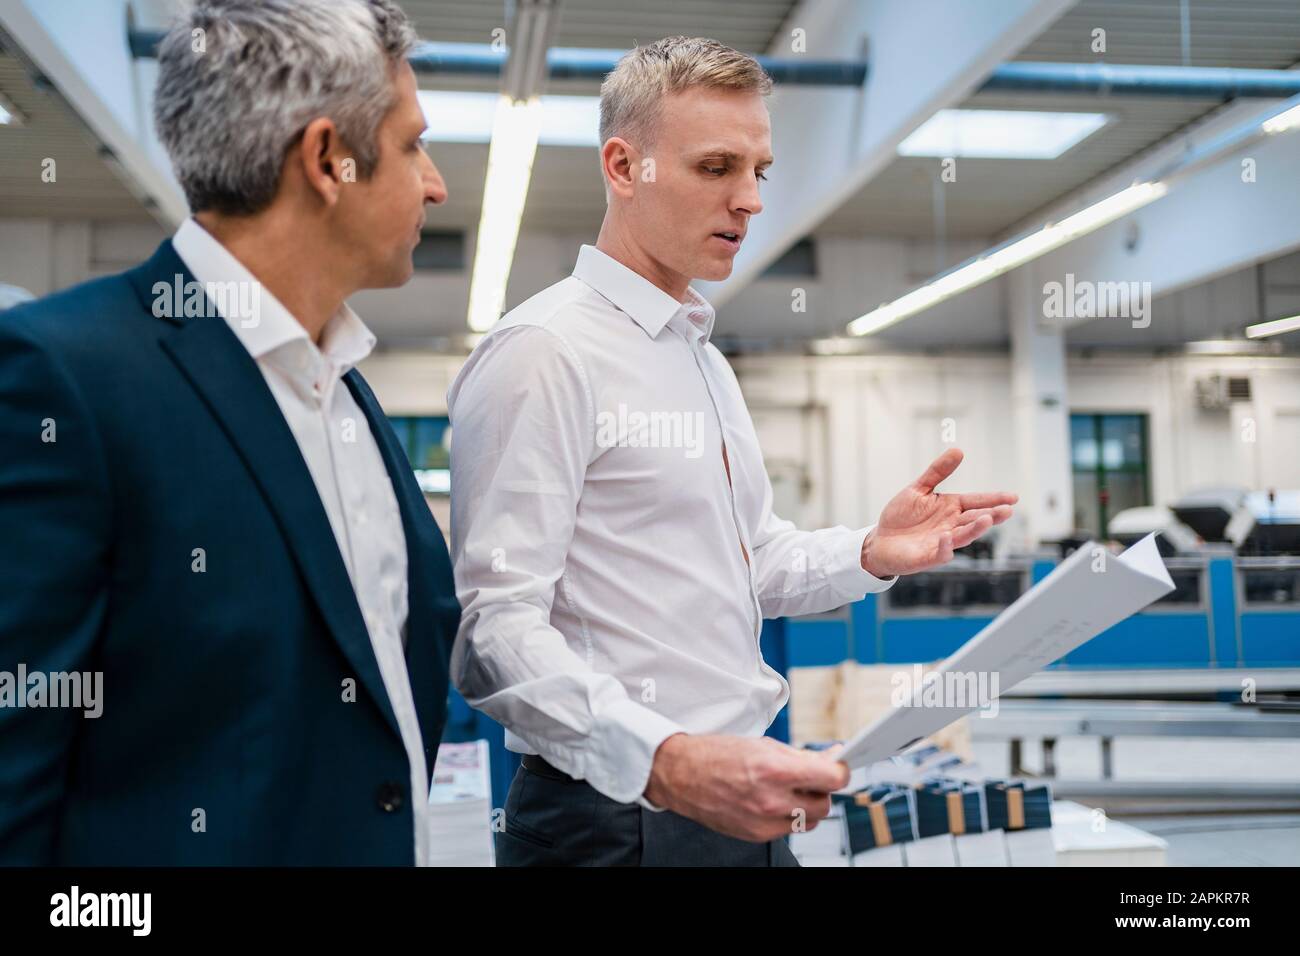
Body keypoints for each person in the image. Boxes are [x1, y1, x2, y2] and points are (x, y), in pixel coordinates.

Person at [447, 36, 1018, 866]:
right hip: (615, 815)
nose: (750, 200)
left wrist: (870, 550)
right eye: (716, 167)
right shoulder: (544, 352)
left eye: (760, 171)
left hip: (737, 795)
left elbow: (752, 559)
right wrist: (665, 762)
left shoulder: (700, 355)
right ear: (623, 166)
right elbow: (491, 630)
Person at [0, 0, 457, 865]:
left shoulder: (344, 392)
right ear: (329, 161)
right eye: (410, 145)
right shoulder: (65, 378)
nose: (434, 183)